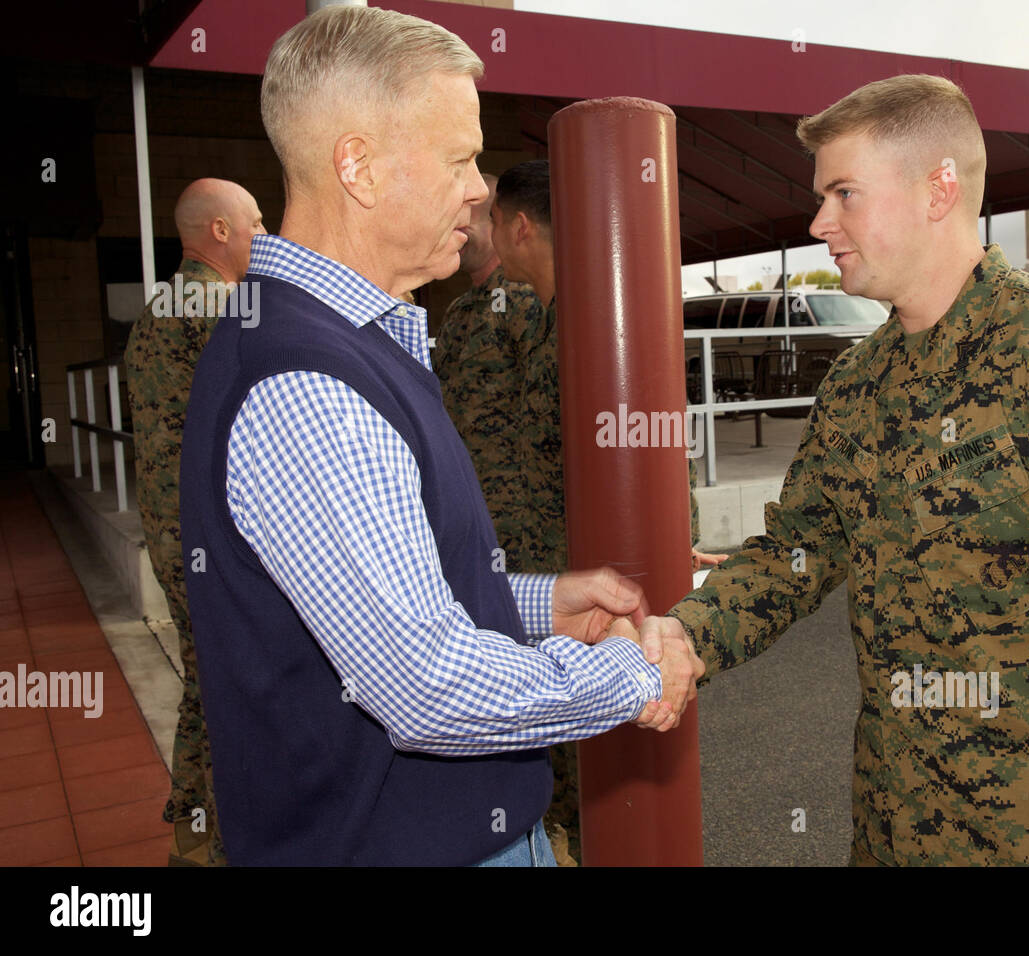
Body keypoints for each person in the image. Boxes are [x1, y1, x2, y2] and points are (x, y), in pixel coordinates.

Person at [638, 74, 1029, 866]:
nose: (818, 222)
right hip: (891, 828)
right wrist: (685, 637)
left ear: (939, 190)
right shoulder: (857, 386)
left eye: (843, 193)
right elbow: (796, 553)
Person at [179, 5, 701, 867]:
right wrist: (634, 677)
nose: (480, 189)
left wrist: (532, 605)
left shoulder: (341, 339)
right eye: (460, 156)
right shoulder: (308, 381)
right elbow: (425, 686)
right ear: (360, 167)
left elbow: (383, 595)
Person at [489, 160, 727, 863]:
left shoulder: (595, 321)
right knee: (566, 754)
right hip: (547, 578)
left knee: (608, 750)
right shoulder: (540, 318)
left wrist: (670, 537)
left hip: (599, 582)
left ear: (521, 227)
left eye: (496, 219)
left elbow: (648, 436)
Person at [124, 177, 265, 866]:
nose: (262, 236)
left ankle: (192, 823)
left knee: (205, 676)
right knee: (231, 686)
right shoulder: (216, 309)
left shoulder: (162, 307)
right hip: (210, 534)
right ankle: (217, 838)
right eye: (255, 223)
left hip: (173, 531)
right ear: (219, 232)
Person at [432, 172, 544, 566]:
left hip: (523, 529)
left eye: (472, 216)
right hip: (469, 517)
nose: (458, 228)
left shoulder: (525, 301)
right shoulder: (460, 311)